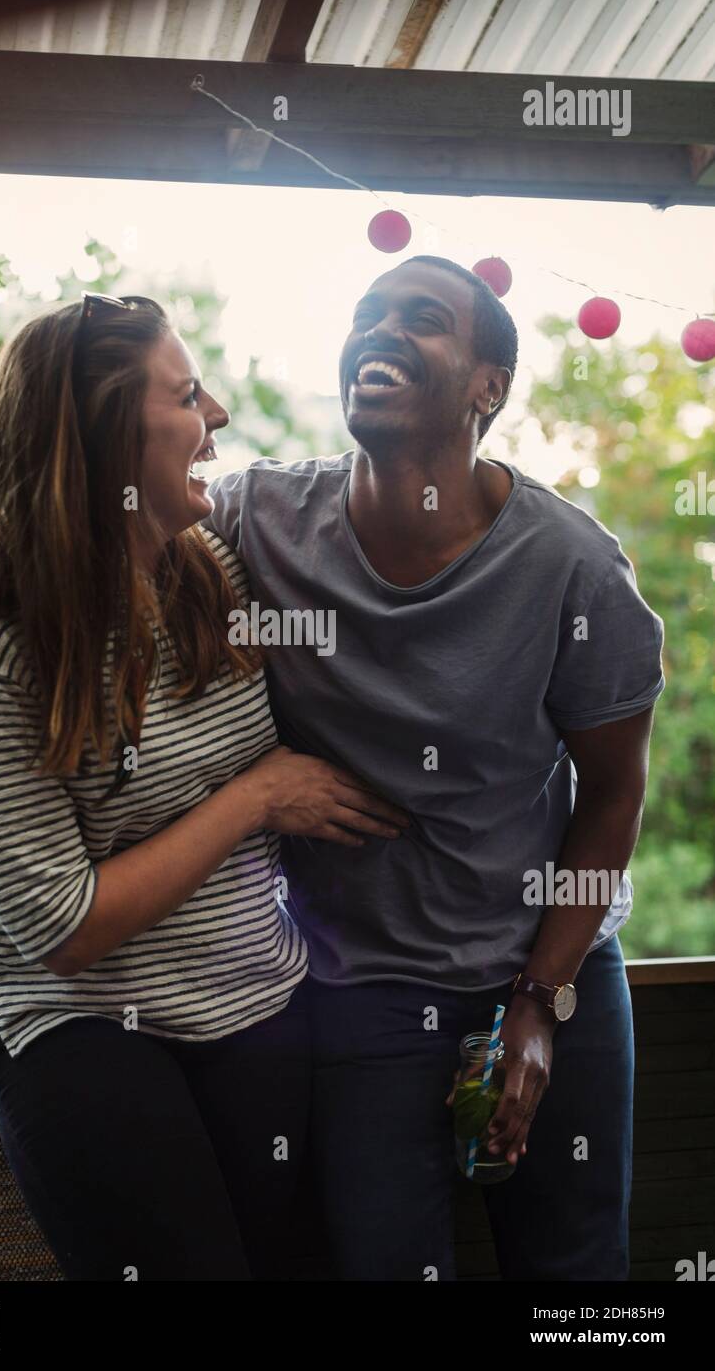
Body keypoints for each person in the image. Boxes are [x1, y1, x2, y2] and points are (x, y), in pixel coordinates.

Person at [0, 292, 408, 1282]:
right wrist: (256, 798)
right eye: (186, 395)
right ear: (100, 433)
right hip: (76, 1021)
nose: (216, 416)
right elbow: (63, 925)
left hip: (257, 992)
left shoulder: (202, 567)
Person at [202, 255, 665, 1281]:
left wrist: (538, 1004)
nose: (380, 331)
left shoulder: (573, 570)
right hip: (361, 984)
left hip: (550, 963)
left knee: (576, 1278)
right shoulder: (258, 520)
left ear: (484, 387)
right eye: (367, 313)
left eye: (421, 319)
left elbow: (613, 795)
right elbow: (105, 532)